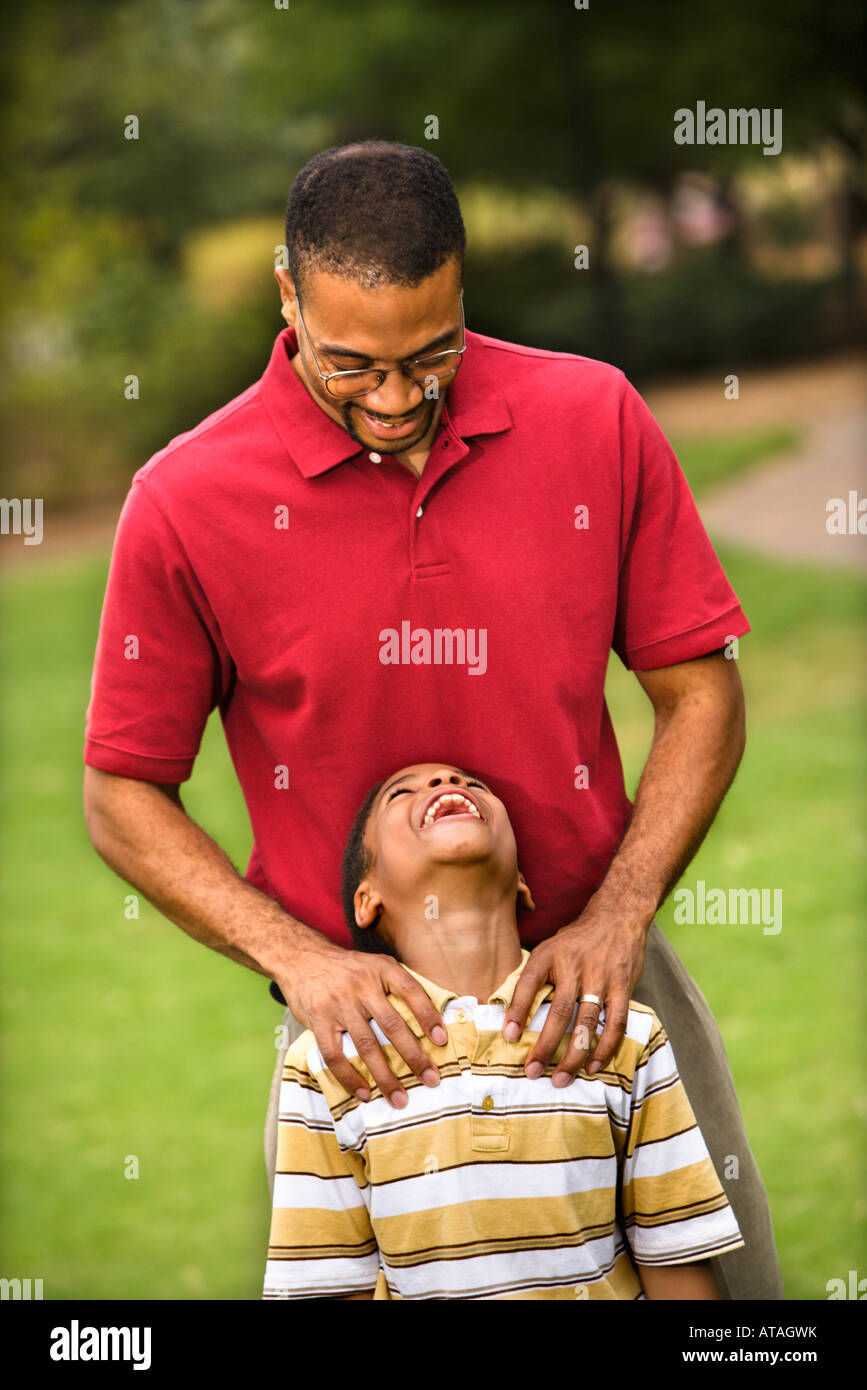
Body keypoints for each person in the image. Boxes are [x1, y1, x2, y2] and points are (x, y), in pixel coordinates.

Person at [82, 139, 782, 1299]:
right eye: (353, 364)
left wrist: (618, 915)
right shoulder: (184, 500)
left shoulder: (591, 416)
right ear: (287, 296)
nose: (398, 400)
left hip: (607, 991)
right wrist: (302, 961)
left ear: (462, 293)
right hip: (366, 1041)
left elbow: (699, 686)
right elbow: (120, 791)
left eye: (433, 355)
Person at [264, 761, 744, 1300]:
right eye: (403, 792)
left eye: (471, 785)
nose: (447, 784)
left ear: (522, 882)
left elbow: (676, 1266)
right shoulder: (328, 1064)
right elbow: (331, 1287)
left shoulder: (622, 1032)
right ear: (366, 898)